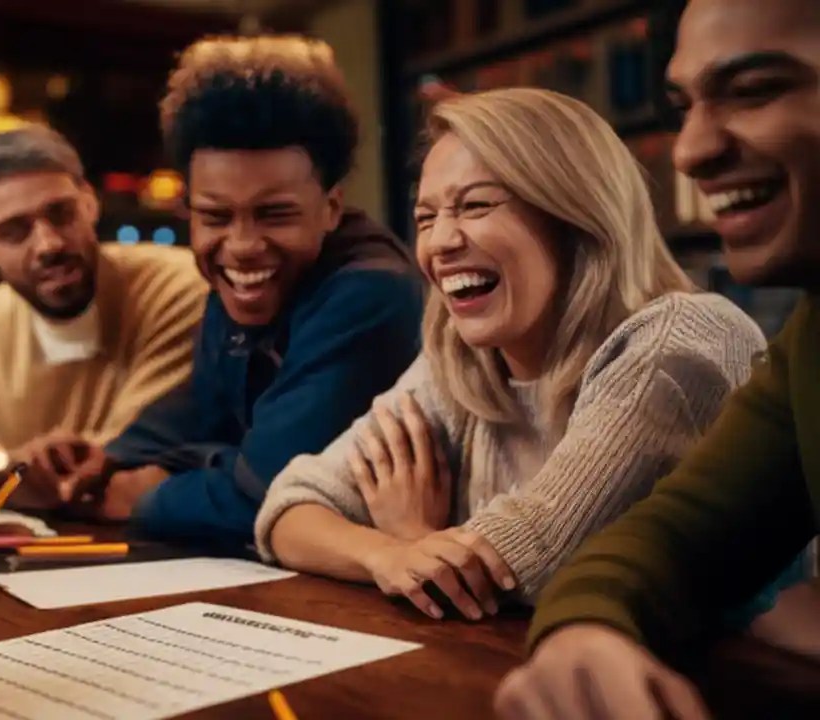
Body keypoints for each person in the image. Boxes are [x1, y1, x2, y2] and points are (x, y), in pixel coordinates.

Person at [256, 87, 784, 623]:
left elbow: (532, 564)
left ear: (574, 212)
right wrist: (388, 553)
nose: (439, 243)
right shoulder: (461, 360)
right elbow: (289, 507)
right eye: (424, 217)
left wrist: (418, 538)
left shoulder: (680, 342)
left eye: (475, 205)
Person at [494, 1, 820, 717]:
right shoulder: (809, 338)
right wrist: (584, 632)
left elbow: (532, 549)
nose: (689, 150)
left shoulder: (679, 335)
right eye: (684, 106)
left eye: (757, 89)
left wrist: (406, 544)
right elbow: (666, 540)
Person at [39, 35, 423, 548]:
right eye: (216, 216)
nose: (241, 247)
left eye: (274, 214)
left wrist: (139, 497)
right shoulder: (237, 287)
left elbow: (264, 492)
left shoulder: (371, 293)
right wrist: (112, 454)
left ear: (332, 207)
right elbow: (204, 402)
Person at [0, 124, 207, 510]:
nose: (48, 244)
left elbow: (132, 450)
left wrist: (11, 480)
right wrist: (4, 459)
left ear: (90, 203)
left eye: (61, 214)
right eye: (14, 231)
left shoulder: (179, 287)